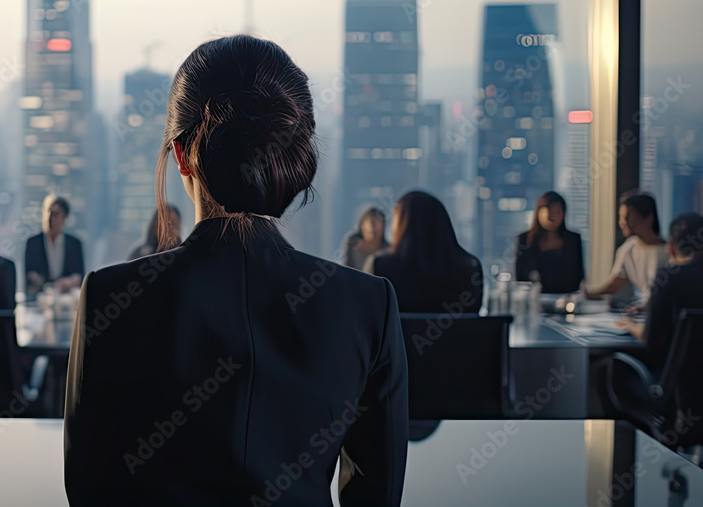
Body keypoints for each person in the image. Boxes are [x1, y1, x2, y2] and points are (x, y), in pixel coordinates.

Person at [64, 35, 408, 506]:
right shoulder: (368, 305)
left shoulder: (109, 296)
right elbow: (378, 496)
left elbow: (89, 489)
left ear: (181, 154)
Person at [616, 213, 703, 367]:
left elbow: (651, 338)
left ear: (671, 248)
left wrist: (630, 326)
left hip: (674, 383)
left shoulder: (668, 278)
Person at [367, 191, 483, 314]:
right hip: (458, 334)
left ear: (399, 224)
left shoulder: (380, 267)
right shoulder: (470, 268)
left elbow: (368, 317)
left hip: (400, 334)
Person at [586, 191, 668, 305]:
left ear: (648, 218)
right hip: (642, 311)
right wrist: (585, 292)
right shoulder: (628, 248)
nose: (622, 222)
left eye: (627, 217)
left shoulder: (669, 252)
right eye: (621, 217)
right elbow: (613, 285)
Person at [514, 191, 584, 293]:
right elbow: (520, 278)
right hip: (533, 299)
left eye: (557, 211)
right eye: (548, 210)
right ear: (538, 212)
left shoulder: (573, 240)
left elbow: (579, 276)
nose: (552, 216)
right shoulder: (524, 239)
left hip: (566, 300)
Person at [24, 194, 85, 297]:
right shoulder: (33, 243)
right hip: (40, 299)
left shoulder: (74, 244)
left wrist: (66, 283)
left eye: (55, 214)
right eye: (47, 213)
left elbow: (80, 276)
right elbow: (29, 275)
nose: (50, 218)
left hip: (68, 299)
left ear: (65, 217)